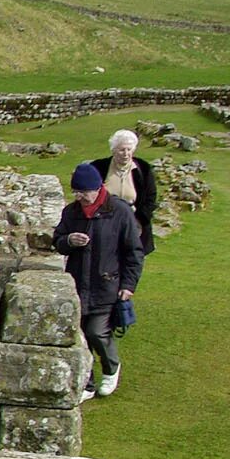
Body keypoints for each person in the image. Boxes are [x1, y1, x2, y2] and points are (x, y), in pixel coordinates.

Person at [55, 163, 142, 402]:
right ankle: (88, 383)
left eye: (84, 192)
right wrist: (69, 240)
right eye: (76, 192)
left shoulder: (120, 212)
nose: (79, 197)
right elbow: (58, 241)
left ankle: (111, 369)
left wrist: (128, 285)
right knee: (81, 336)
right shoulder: (71, 212)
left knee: (97, 332)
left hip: (107, 284)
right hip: (77, 284)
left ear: (97, 189)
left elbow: (134, 252)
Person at [91, 129, 158, 263]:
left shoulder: (143, 169)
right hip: (105, 222)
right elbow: (89, 194)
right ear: (113, 150)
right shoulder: (98, 167)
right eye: (122, 150)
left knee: (132, 263)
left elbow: (150, 198)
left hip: (135, 224)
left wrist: (139, 219)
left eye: (129, 149)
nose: (126, 154)